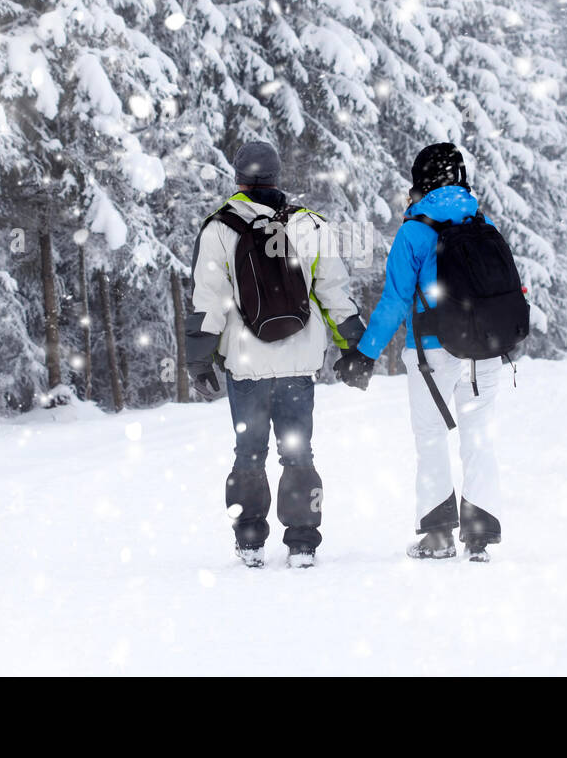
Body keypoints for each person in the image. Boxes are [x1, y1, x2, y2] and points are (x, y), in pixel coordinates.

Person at [185, 141, 364, 569]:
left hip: (246, 364)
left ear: (238, 178)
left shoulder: (218, 229)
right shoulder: (311, 226)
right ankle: (302, 540)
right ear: (278, 176)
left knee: (248, 451)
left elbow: (209, 301)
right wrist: (353, 346)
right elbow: (333, 293)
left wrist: (198, 359)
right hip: (298, 361)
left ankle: (249, 539)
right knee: (298, 452)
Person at [333, 143, 506, 563]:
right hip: (483, 352)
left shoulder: (414, 230)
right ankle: (480, 534)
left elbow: (394, 301)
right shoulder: (482, 223)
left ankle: (438, 535)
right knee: (477, 436)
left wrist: (365, 354)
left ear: (421, 181)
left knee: (431, 438)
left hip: (432, 353)